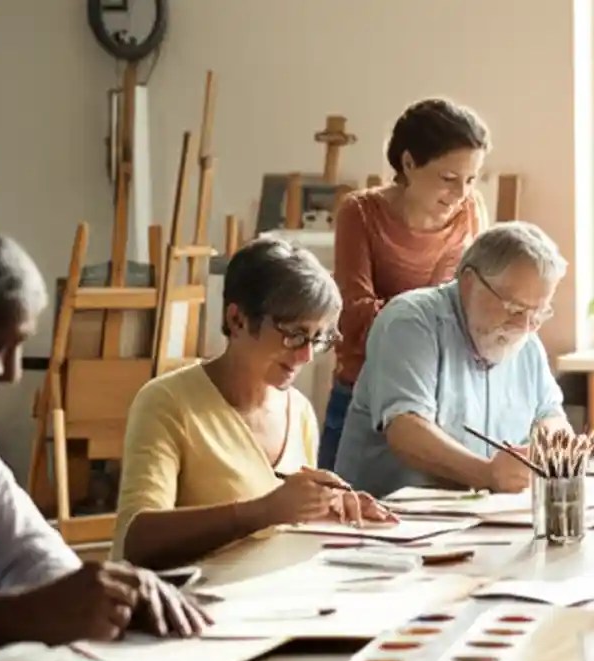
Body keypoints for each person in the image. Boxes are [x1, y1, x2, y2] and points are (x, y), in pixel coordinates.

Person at [0, 224, 208, 653]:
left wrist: (111, 595)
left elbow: (29, 548)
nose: (11, 373)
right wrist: (21, 616)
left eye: (18, 347)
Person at [114, 237, 395, 570]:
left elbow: (285, 533)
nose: (306, 355)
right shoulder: (167, 402)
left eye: (318, 339)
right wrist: (263, 511)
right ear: (237, 320)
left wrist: (329, 509)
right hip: (193, 608)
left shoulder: (298, 411)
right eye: (294, 334)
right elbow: (136, 541)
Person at [334, 221, 570, 498]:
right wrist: (488, 474)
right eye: (514, 308)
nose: (525, 325)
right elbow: (407, 430)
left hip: (481, 518)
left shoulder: (526, 341)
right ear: (469, 283)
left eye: (539, 313)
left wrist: (543, 450)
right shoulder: (411, 321)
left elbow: (551, 416)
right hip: (389, 521)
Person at [321, 97, 492, 471]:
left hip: (437, 394)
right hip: (362, 390)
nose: (461, 193)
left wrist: (413, 321)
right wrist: (433, 320)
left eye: (471, 179)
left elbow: (477, 309)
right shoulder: (361, 212)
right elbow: (353, 318)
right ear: (409, 163)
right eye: (448, 178)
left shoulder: (470, 210)